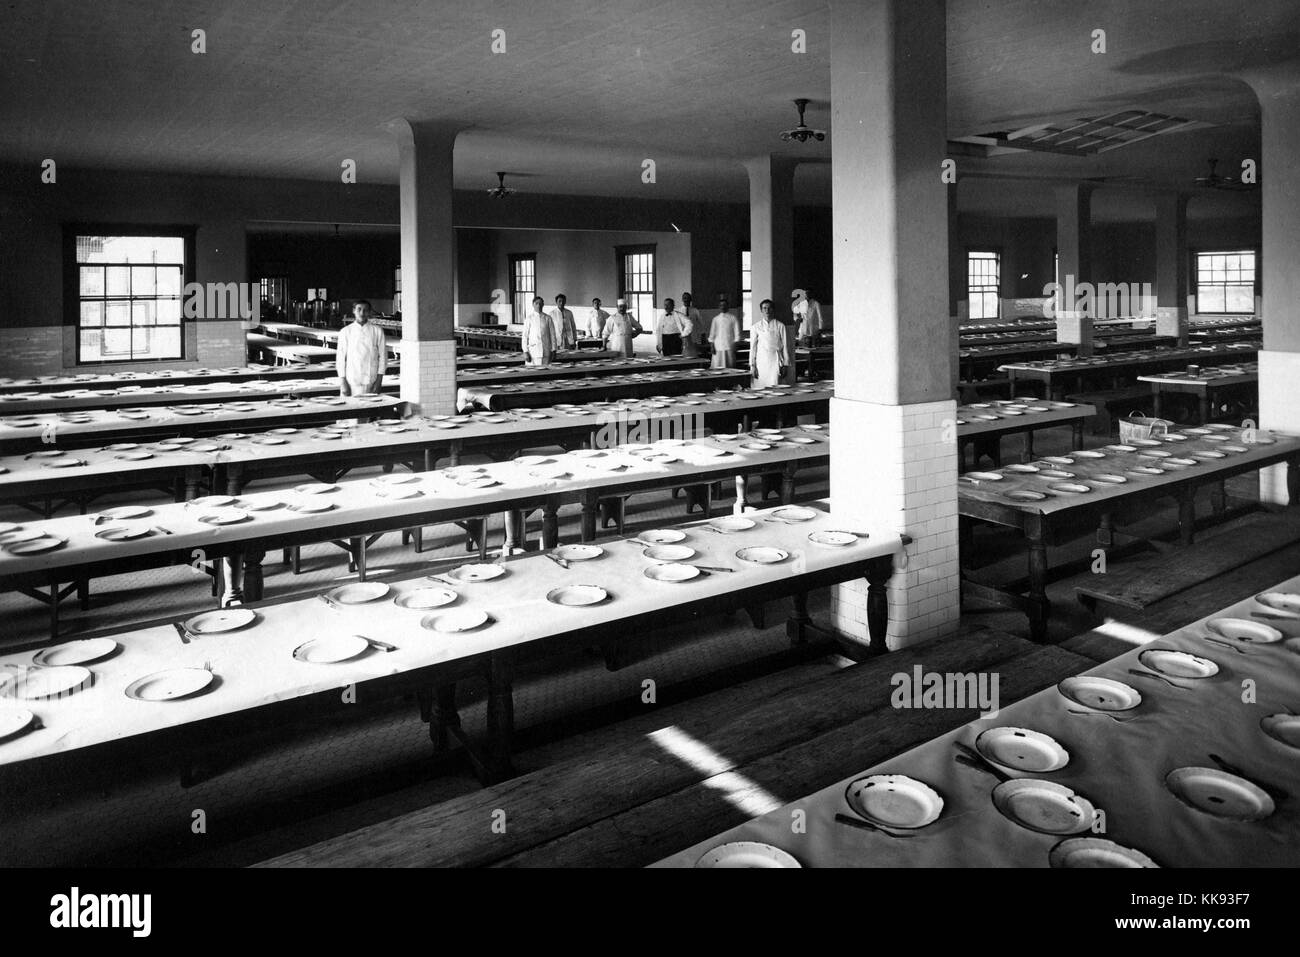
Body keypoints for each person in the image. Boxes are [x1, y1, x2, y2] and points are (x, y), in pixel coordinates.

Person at [336, 300, 387, 396]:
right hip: (351, 381)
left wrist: (379, 381)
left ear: (369, 312)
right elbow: (340, 359)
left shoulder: (377, 331)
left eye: (365, 310)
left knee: (369, 409)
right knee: (349, 409)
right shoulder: (346, 331)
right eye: (359, 309)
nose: (362, 313)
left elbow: (383, 357)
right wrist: (342, 382)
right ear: (353, 311)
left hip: (371, 380)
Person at [749, 298, 789, 388]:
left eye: (769, 308)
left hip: (775, 361)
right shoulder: (756, 327)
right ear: (761, 310)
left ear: (773, 309)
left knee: (775, 385)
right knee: (760, 387)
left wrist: (785, 365)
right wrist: (753, 366)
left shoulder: (780, 325)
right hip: (761, 362)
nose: (767, 310)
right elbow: (753, 348)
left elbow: (785, 346)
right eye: (764, 308)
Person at [709, 294, 740, 369]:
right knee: (717, 365)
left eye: (725, 305)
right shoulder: (715, 319)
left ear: (728, 306)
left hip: (729, 345)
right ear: (719, 307)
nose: (723, 307)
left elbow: (737, 333)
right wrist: (712, 346)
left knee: (729, 365)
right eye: (721, 305)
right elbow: (712, 334)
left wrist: (735, 344)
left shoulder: (733, 318)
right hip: (718, 346)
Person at [522, 295, 556, 366]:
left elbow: (553, 335)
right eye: (536, 303)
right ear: (533, 305)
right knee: (532, 373)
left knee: (545, 372)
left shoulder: (548, 318)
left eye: (540, 303)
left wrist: (553, 350)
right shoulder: (529, 318)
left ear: (543, 304)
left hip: (545, 351)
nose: (538, 305)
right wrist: (525, 351)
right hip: (533, 352)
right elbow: (525, 336)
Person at [679, 291, 705, 358]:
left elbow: (701, 323)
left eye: (688, 298)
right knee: (683, 354)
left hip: (693, 336)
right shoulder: (679, 311)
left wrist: (703, 334)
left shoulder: (695, 310)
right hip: (683, 337)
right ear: (682, 299)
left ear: (690, 300)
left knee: (693, 354)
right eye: (684, 298)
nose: (686, 300)